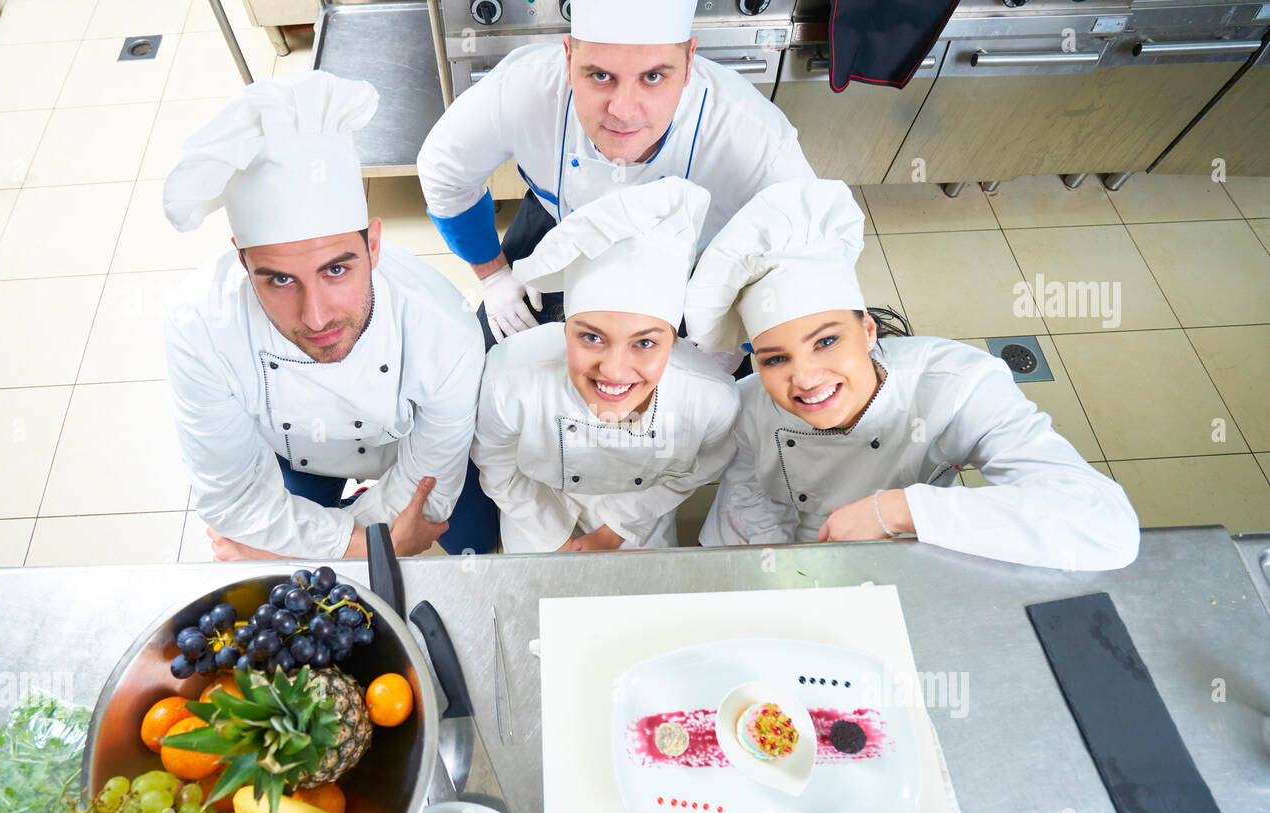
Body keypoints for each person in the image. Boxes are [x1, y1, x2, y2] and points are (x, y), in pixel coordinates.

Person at [685, 179, 1140, 571]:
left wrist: (898, 511)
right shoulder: (749, 404)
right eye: (774, 358)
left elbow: (1104, 524)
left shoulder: (959, 386)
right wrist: (789, 568)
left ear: (866, 330)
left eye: (826, 342)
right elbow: (748, 502)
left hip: (906, 543)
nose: (803, 378)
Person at [161, 71, 495, 561]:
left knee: (470, 540)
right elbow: (232, 499)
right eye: (278, 279)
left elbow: (432, 484)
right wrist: (368, 545)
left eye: (336, 269)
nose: (315, 317)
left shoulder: (446, 330)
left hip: (401, 454)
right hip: (292, 458)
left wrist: (293, 551)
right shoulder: (199, 327)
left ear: (374, 245)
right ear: (241, 261)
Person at [416, 0, 815, 350]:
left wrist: (743, 328)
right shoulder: (521, 89)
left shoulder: (753, 135)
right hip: (557, 227)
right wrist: (494, 275)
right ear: (569, 57)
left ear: (690, 61)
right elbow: (444, 173)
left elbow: (808, 252)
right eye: (601, 76)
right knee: (490, 358)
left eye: (653, 77)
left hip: (695, 262)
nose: (623, 111)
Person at [472, 178, 738, 553]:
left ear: (674, 341)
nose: (614, 370)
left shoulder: (711, 400)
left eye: (644, 342)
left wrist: (614, 529)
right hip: (537, 503)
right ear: (564, 327)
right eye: (591, 337)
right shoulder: (507, 380)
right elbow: (498, 466)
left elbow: (702, 466)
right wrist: (558, 539)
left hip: (640, 509)